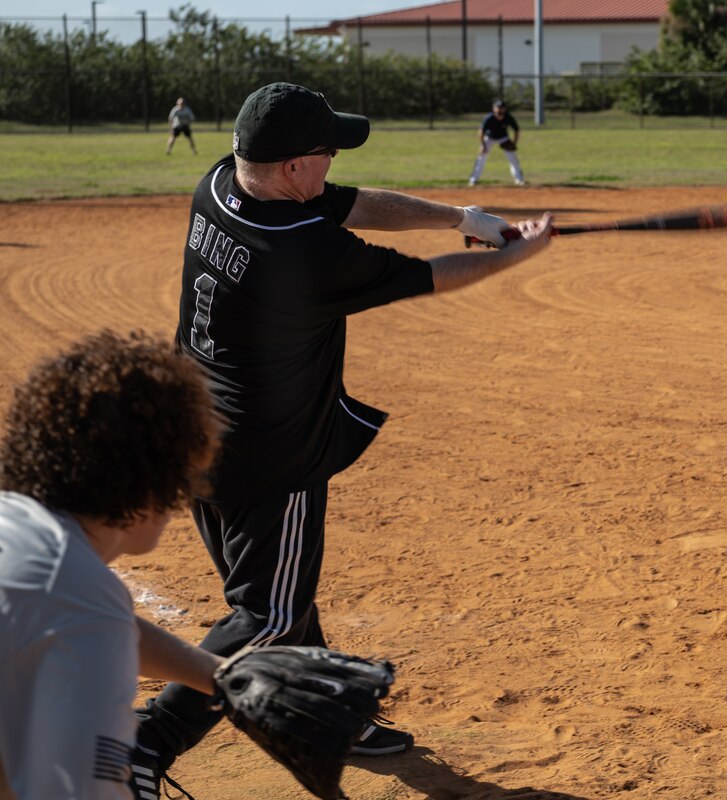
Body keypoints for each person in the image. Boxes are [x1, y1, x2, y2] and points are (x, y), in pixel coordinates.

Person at [128, 81, 555, 797]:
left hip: (194, 434)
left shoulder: (221, 186)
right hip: (270, 458)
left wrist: (462, 215)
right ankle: (147, 742)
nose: (332, 163)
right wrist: (514, 254)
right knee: (270, 614)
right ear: (294, 167)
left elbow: (354, 200)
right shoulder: (303, 253)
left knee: (281, 593)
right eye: (324, 152)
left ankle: (327, 713)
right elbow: (429, 277)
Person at [0, 330, 224, 800]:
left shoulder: (18, 524)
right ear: (147, 493)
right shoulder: (74, 593)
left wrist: (220, 677)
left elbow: (77, 620)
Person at [468, 99, 526, 186]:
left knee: (513, 158)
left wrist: (514, 143)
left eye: (501, 108)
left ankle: (519, 179)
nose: (499, 109)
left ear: (505, 109)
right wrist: (483, 144)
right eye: (497, 107)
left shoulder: (508, 117)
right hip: (489, 137)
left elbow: (516, 130)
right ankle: (473, 180)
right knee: (481, 157)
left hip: (503, 138)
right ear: (494, 109)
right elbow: (481, 131)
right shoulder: (489, 118)